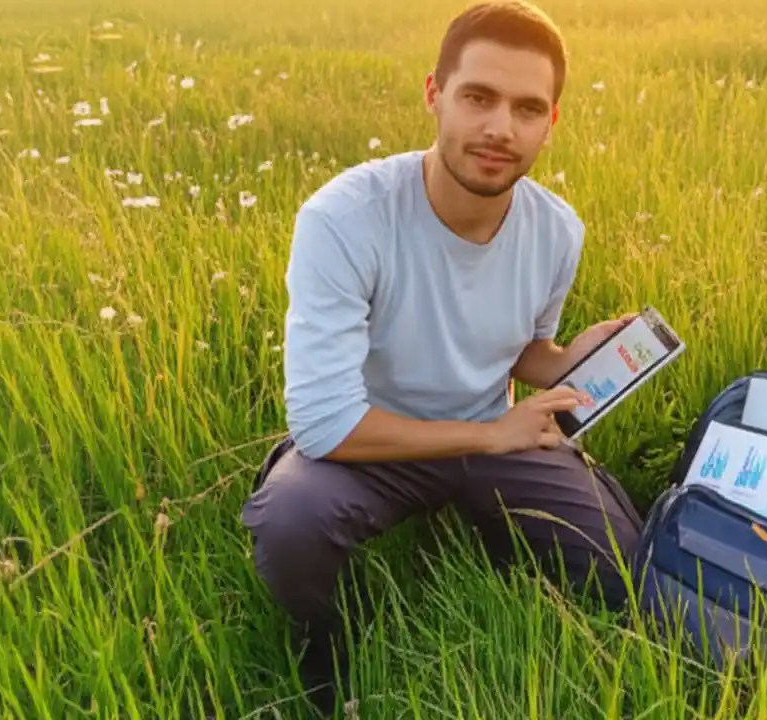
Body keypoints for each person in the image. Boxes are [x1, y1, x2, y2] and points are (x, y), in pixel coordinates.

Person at [240, 0, 644, 709]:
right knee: (291, 522)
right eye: (478, 98)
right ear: (435, 94)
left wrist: (566, 360)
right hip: (376, 446)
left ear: (550, 123)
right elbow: (324, 426)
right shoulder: (344, 219)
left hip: (498, 444)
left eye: (526, 108)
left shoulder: (557, 231)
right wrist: (493, 433)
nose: (499, 128)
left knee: (624, 573)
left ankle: (493, 531)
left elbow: (520, 351)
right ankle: (329, 644)